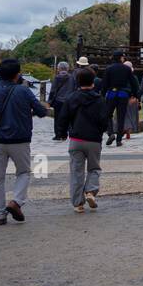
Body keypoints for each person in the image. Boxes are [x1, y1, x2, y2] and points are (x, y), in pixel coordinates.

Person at [0, 57, 48, 225]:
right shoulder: (24, 91)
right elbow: (41, 111)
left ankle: (0, 215)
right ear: (18, 74)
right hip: (20, 139)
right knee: (23, 172)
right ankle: (16, 201)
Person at [58, 66, 105, 213]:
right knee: (94, 168)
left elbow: (63, 117)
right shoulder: (99, 100)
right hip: (93, 139)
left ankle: (78, 203)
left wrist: (62, 132)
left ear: (77, 81)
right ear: (93, 81)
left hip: (76, 138)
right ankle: (90, 191)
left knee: (76, 171)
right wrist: (102, 131)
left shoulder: (71, 98)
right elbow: (104, 120)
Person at [101, 50, 138, 147]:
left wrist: (102, 95)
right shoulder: (126, 69)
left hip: (111, 93)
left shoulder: (109, 69)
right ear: (120, 57)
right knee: (121, 117)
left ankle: (110, 133)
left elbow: (105, 83)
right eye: (123, 57)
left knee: (108, 115)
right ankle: (119, 140)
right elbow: (133, 83)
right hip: (123, 94)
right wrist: (134, 95)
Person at [49, 61, 74, 140]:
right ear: (67, 68)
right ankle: (65, 134)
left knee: (57, 118)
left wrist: (49, 101)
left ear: (59, 68)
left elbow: (53, 90)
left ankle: (58, 134)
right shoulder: (71, 77)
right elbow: (74, 88)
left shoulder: (57, 77)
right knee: (68, 118)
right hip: (69, 100)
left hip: (58, 101)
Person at [121, 58, 140, 141]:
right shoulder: (134, 77)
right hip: (132, 98)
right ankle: (128, 131)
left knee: (123, 114)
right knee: (131, 115)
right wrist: (136, 98)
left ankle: (123, 129)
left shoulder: (121, 77)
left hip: (122, 97)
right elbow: (137, 88)